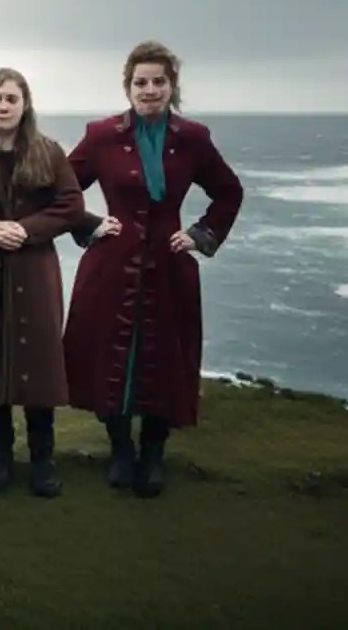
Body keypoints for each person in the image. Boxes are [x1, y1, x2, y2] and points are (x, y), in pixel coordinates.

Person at [64, 41, 243, 498]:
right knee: (108, 355)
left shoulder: (193, 138)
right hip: (111, 265)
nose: (149, 90)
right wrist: (88, 223)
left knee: (165, 360)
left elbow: (229, 191)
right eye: (140, 83)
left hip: (169, 267)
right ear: (128, 87)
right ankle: (121, 450)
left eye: (158, 82)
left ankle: (153, 454)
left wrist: (201, 235)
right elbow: (60, 189)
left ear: (171, 86)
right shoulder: (102, 135)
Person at [0, 68, 85, 498]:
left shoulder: (48, 151)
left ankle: (43, 460)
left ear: (25, 103)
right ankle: (0, 456)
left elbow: (71, 206)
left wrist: (25, 228)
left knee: (40, 365)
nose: (3, 107)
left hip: (35, 270)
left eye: (11, 98)